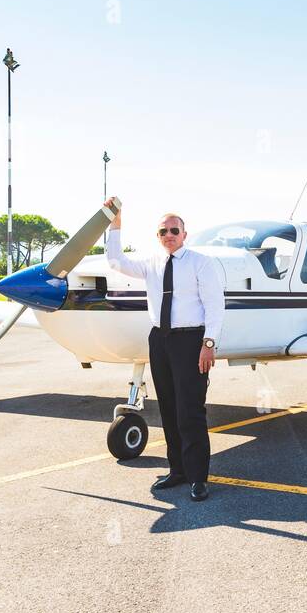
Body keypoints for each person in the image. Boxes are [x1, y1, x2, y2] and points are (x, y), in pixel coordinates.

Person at [104, 198, 225, 502]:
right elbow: (116, 262)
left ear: (185, 234)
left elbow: (215, 306)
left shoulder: (202, 263)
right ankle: (178, 471)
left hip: (191, 341)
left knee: (191, 412)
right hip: (160, 340)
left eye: (174, 230)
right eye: (163, 231)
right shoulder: (151, 264)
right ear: (157, 236)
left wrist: (208, 344)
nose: (168, 235)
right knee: (169, 410)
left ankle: (198, 478)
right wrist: (114, 223)